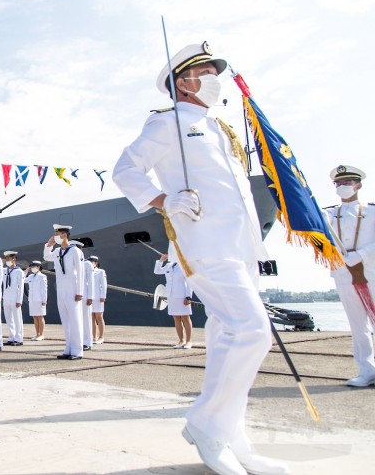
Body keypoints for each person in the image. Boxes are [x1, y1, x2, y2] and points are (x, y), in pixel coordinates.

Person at [112, 41, 288, 475]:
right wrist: (163, 199)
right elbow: (125, 168)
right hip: (205, 242)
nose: (215, 80)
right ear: (183, 83)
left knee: (228, 336)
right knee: (253, 331)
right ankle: (207, 424)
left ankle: (232, 435)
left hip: (241, 245)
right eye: (206, 73)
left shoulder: (218, 128)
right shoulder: (168, 123)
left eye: (216, 72)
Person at [324, 165, 375, 387]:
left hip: (370, 270)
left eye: (347, 183)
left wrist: (361, 255)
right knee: (358, 325)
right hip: (344, 274)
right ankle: (366, 370)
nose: (342, 187)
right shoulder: (327, 214)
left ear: (358, 185)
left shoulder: (372, 211)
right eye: (338, 183)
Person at [44, 225, 84, 360]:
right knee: (66, 320)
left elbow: (80, 272)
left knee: (75, 319)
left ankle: (77, 350)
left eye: (58, 234)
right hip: (61, 290)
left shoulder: (75, 251)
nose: (55, 237)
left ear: (65, 235)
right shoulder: (57, 251)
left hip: (73, 289)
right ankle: (68, 348)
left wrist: (80, 292)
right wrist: (49, 245)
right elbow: (46, 256)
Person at [154, 254, 193, 348]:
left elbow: (190, 282)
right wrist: (161, 261)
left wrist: (188, 297)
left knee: (185, 318)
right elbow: (157, 271)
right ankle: (181, 341)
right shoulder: (168, 266)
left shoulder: (184, 265)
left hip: (182, 295)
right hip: (171, 296)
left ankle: (189, 341)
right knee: (176, 318)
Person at [73, 241, 94, 352]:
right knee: (77, 319)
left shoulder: (87, 264)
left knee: (86, 319)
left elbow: (90, 281)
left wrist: (90, 296)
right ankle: (79, 341)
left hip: (85, 295)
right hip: (74, 295)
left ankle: (87, 342)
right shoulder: (73, 262)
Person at [2, 251, 25, 346]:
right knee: (9, 319)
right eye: (6, 259)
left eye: (8, 259)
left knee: (17, 319)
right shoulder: (4, 271)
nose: (7, 260)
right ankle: (11, 337)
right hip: (6, 297)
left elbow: (21, 286)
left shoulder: (19, 271)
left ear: (13, 259)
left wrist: (19, 300)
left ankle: (19, 338)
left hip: (15, 298)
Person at [25, 260, 48, 341]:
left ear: (38, 267)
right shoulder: (31, 276)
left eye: (34, 266)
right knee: (35, 317)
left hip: (39, 299)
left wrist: (44, 300)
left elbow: (44, 289)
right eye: (32, 266)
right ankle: (37, 334)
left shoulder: (42, 276)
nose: (33, 268)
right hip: (32, 299)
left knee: (40, 317)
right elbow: (22, 280)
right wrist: (26, 271)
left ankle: (41, 334)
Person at [89, 256, 108, 343]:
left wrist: (103, 296)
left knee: (99, 317)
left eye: (92, 261)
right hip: (89, 298)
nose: (90, 263)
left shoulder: (101, 272)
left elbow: (104, 285)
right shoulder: (87, 272)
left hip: (98, 297)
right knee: (91, 318)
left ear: (96, 263)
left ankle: (101, 337)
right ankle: (93, 337)